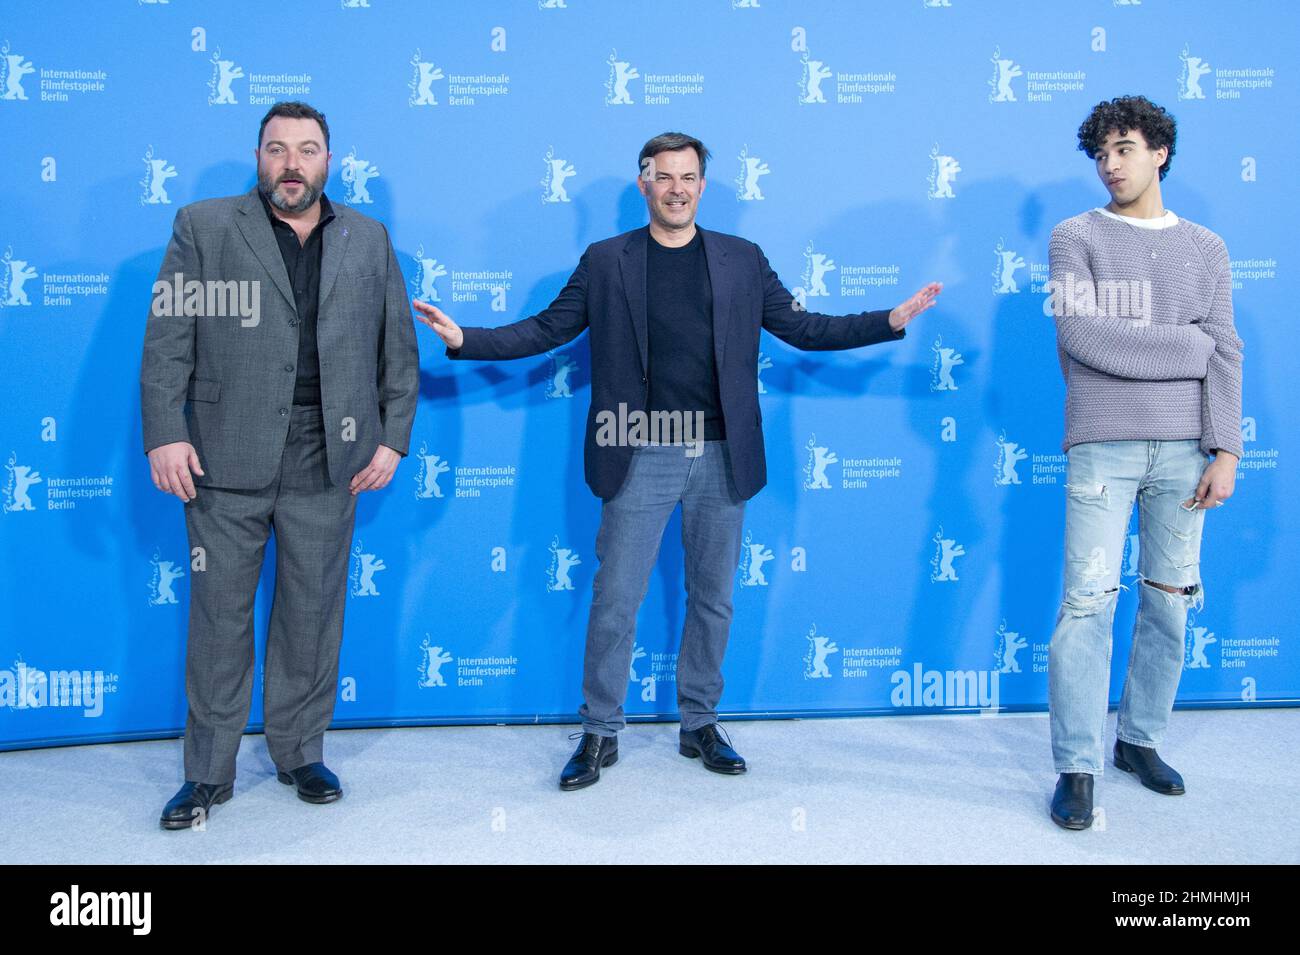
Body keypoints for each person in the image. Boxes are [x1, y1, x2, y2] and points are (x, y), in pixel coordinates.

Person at [416, 131, 940, 790]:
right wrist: (467, 339)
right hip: (638, 448)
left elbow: (804, 328)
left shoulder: (741, 259)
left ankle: (700, 722)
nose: (677, 188)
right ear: (644, 184)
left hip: (723, 453)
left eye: (688, 176)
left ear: (702, 184)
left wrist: (887, 319)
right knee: (616, 599)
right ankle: (599, 731)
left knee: (714, 598)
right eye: (664, 177)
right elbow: (548, 329)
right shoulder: (607, 261)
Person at [140, 101, 419, 829]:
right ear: (258, 157)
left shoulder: (368, 237)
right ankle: (207, 774)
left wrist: (392, 439)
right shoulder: (203, 227)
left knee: (312, 613)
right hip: (222, 454)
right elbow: (168, 338)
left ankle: (299, 751)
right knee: (218, 620)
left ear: (329, 159)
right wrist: (164, 432)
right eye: (276, 148)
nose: (291, 162)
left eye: (307, 149)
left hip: (332, 453)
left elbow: (397, 346)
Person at [1044, 96, 1243, 830]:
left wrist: (1226, 447)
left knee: (1168, 600)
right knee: (1088, 603)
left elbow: (1229, 349)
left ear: (1159, 151)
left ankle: (1139, 740)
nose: (1110, 164)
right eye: (1100, 152)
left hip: (1188, 447)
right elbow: (1085, 336)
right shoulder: (1074, 237)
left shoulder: (1208, 248)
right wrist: (1188, 347)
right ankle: (1076, 764)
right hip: (1103, 443)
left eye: (1123, 148)